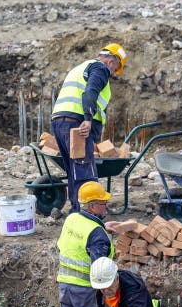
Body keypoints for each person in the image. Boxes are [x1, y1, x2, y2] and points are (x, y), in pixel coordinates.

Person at [51, 43, 127, 213]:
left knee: (73, 171)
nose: (114, 73)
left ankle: (76, 211)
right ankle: (87, 215)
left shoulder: (80, 68)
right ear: (111, 60)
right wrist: (88, 119)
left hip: (59, 123)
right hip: (76, 125)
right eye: (116, 68)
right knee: (85, 171)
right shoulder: (100, 69)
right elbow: (90, 92)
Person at [56, 181, 115, 307]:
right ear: (92, 206)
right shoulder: (97, 234)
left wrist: (100, 228)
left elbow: (75, 241)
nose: (106, 206)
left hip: (65, 285)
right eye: (103, 203)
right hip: (85, 290)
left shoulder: (71, 219)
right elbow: (99, 269)